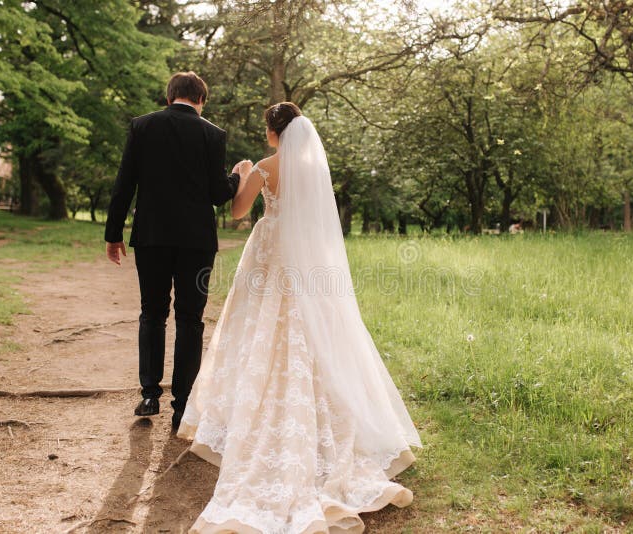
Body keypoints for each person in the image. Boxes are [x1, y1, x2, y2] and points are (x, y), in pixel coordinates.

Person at [178, 102, 422, 533]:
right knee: (309, 329)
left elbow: (237, 212)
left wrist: (241, 173)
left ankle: (251, 404)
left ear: (273, 132)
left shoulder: (266, 167)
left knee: (259, 324)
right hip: (308, 259)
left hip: (271, 251)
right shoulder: (314, 168)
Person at [104, 71, 252, 430]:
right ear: (201, 100)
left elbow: (124, 183)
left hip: (151, 236)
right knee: (190, 319)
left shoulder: (142, 126)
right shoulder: (213, 134)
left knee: (152, 313)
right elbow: (218, 194)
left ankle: (149, 394)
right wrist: (237, 175)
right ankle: (183, 405)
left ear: (169, 97)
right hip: (196, 242)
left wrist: (113, 233)